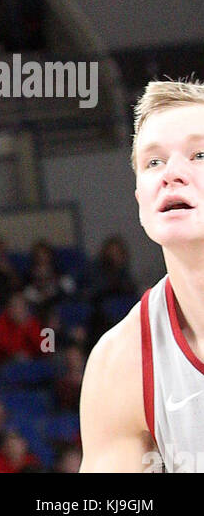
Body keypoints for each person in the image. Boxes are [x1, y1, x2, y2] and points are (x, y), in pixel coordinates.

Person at [80, 79, 204, 472]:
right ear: (140, 199)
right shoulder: (121, 362)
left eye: (199, 154)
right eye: (154, 162)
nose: (172, 173)